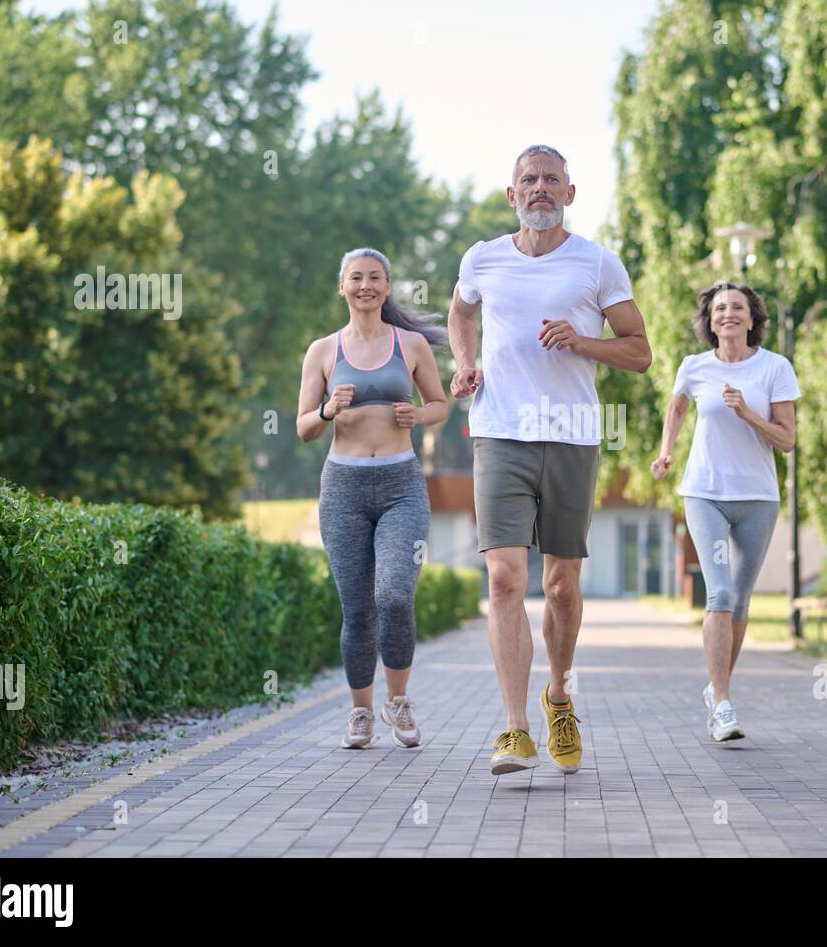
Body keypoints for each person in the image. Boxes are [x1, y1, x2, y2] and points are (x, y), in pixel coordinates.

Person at [448, 144, 652, 776]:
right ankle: (514, 729)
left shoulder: (596, 263)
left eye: (551, 180)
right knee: (506, 578)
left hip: (570, 434)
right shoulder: (482, 258)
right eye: (528, 180)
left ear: (570, 192)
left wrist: (581, 340)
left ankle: (558, 693)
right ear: (512, 195)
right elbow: (460, 312)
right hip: (500, 432)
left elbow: (640, 352)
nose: (540, 188)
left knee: (562, 584)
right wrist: (464, 363)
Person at [296, 247, 450, 750]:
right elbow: (303, 429)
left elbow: (439, 404)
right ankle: (361, 713)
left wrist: (417, 417)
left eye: (375, 278)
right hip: (343, 489)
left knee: (395, 596)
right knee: (358, 607)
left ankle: (399, 702)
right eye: (356, 278)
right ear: (342, 287)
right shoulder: (323, 351)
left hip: (401, 486)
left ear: (387, 287)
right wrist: (325, 409)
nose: (366, 286)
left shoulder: (409, 345)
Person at [652, 281, 798, 741]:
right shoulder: (694, 367)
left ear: (753, 319)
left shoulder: (775, 368)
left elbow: (788, 440)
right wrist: (666, 451)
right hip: (705, 492)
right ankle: (722, 703)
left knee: (740, 600)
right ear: (709, 321)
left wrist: (748, 415)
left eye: (737, 307)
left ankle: (719, 690)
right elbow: (675, 409)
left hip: (758, 497)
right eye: (719, 309)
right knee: (719, 596)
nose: (728, 314)